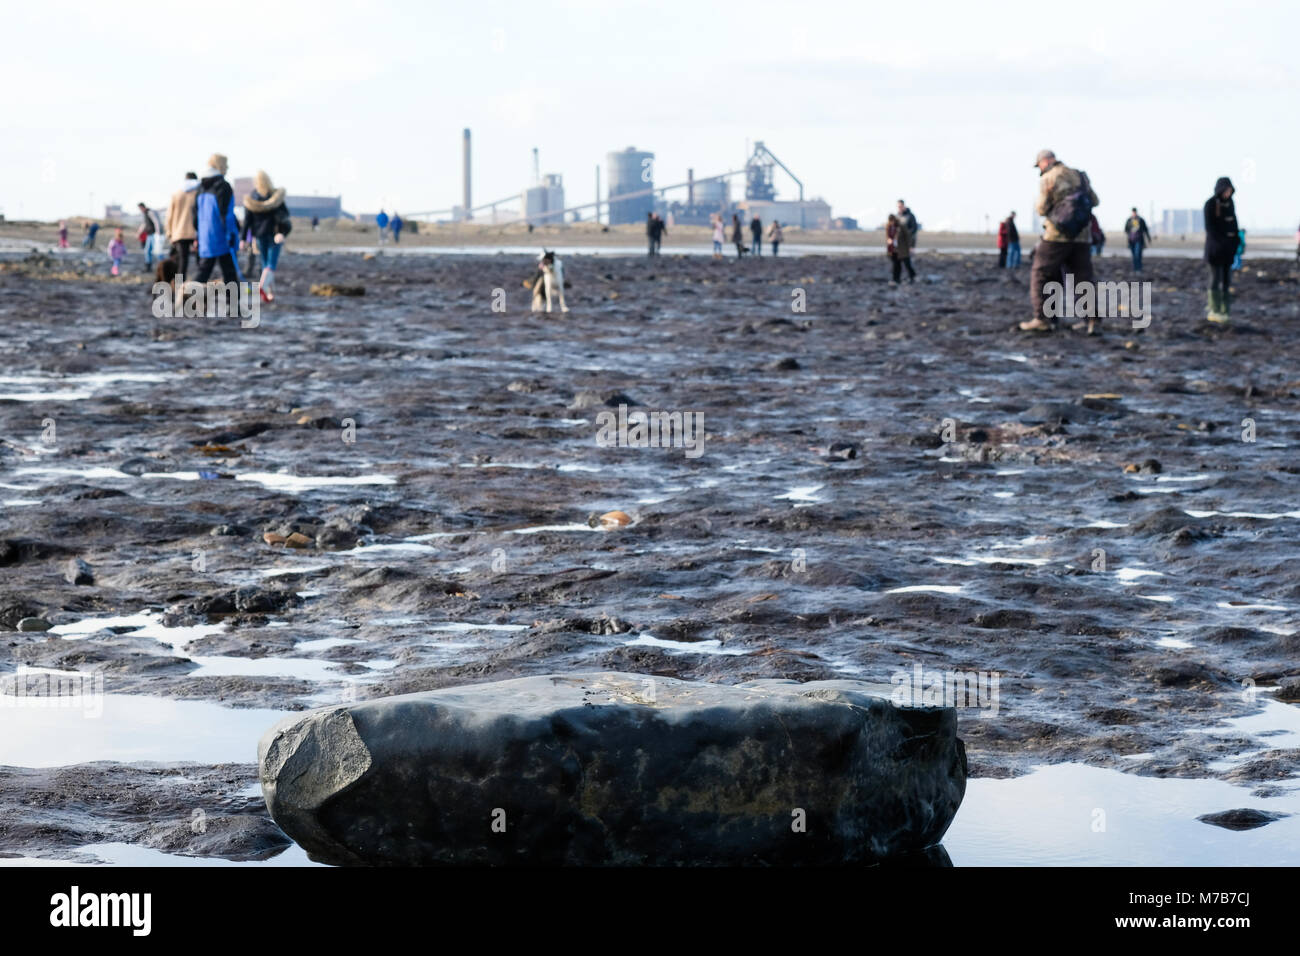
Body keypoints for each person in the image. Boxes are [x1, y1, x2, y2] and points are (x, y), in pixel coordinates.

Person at [1021, 149, 1100, 333]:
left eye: (1039, 165)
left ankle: (1043, 319)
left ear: (1046, 161)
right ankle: (1093, 321)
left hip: (1056, 235)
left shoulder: (1049, 177)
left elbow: (1041, 209)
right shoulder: (1079, 176)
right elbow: (1095, 200)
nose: (1039, 169)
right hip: (1082, 235)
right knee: (1083, 279)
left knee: (1041, 274)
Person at [243, 169, 291, 303]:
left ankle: (268, 294)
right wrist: (282, 232)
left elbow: (248, 220)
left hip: (259, 235)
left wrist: (243, 238)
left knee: (265, 264)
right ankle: (263, 287)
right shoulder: (276, 197)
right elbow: (285, 217)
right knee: (271, 264)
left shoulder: (252, 198)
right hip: (274, 235)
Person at [193, 152, 241, 284]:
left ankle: (187, 300)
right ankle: (233, 303)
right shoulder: (223, 186)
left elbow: (195, 215)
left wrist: (198, 235)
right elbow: (226, 213)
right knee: (229, 272)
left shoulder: (201, 187)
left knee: (204, 270)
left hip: (205, 236)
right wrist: (231, 233)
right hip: (221, 236)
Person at [1203, 176, 1238, 324]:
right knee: (1214, 279)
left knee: (1226, 280)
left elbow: (1234, 223)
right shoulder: (1210, 204)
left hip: (1228, 251)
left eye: (1230, 191)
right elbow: (1210, 228)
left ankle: (1225, 310)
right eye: (1226, 190)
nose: (1228, 193)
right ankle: (1214, 309)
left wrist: (1236, 240)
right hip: (1215, 250)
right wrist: (1222, 242)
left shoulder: (1230, 203)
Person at [166, 172, 199, 275]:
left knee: (182, 261)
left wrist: (169, 233)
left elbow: (169, 216)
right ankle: (200, 283)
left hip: (179, 232)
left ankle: (179, 286)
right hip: (196, 231)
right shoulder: (198, 193)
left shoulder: (176, 194)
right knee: (201, 260)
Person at [886, 212, 915, 284]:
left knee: (907, 264)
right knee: (896, 265)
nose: (892, 222)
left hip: (903, 249)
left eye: (892, 221)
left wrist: (910, 246)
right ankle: (896, 279)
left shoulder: (901, 226)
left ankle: (912, 277)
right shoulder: (889, 227)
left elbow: (908, 237)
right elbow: (888, 237)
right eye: (890, 221)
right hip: (893, 249)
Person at [1123, 208, 1152, 273]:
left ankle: (1139, 269)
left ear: (1136, 212)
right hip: (1131, 240)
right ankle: (1135, 269)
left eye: (1135, 212)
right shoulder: (1129, 220)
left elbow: (1145, 229)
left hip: (1139, 240)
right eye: (1133, 212)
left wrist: (1149, 238)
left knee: (1138, 254)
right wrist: (1130, 233)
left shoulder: (1141, 220)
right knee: (1134, 255)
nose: (1134, 213)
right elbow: (1126, 229)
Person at [137, 202, 164, 271]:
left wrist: (158, 233)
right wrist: (139, 233)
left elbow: (156, 222)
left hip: (154, 235)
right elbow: (144, 224)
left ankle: (164, 265)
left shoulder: (150, 212)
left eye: (140, 208)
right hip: (149, 235)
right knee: (147, 250)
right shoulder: (145, 214)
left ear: (142, 207)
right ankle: (148, 267)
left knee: (157, 252)